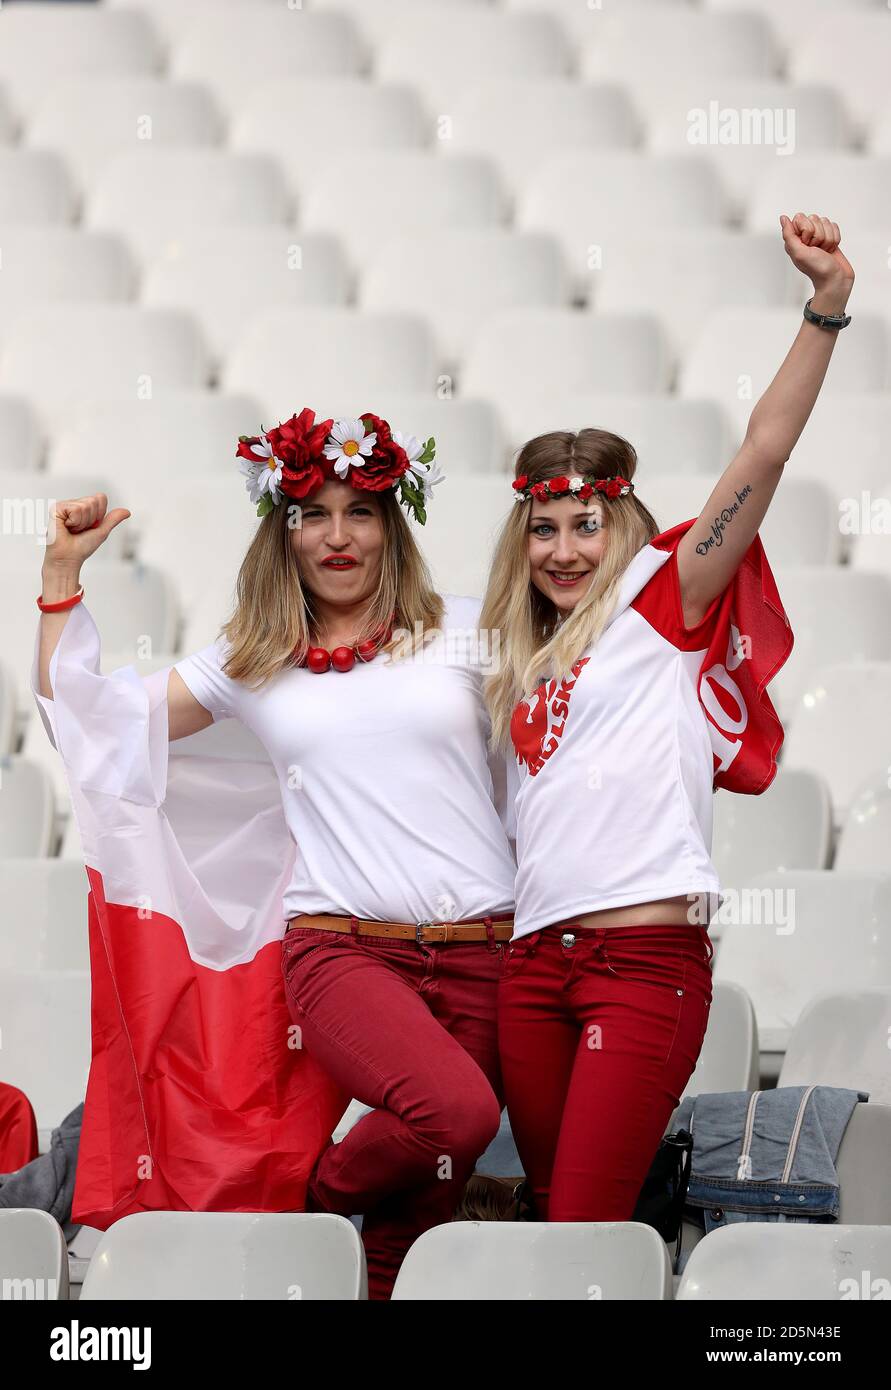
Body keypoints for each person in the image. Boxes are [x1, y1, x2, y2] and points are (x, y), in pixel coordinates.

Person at [36, 407, 517, 1300]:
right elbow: (99, 727)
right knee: (456, 1116)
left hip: (488, 946)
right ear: (282, 533)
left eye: (361, 511)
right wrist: (61, 576)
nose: (337, 535)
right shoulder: (255, 657)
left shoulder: (470, 629)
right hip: (342, 950)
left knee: (424, 1209)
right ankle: (314, 1196)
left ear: (393, 525)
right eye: (311, 514)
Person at [480, 212, 853, 1223]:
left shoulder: (664, 601)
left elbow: (763, 454)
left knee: (580, 1225)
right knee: (557, 1220)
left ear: (624, 524)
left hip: (641, 963)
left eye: (584, 524)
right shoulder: (512, 658)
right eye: (543, 528)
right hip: (531, 971)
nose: (562, 549)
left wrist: (824, 306)